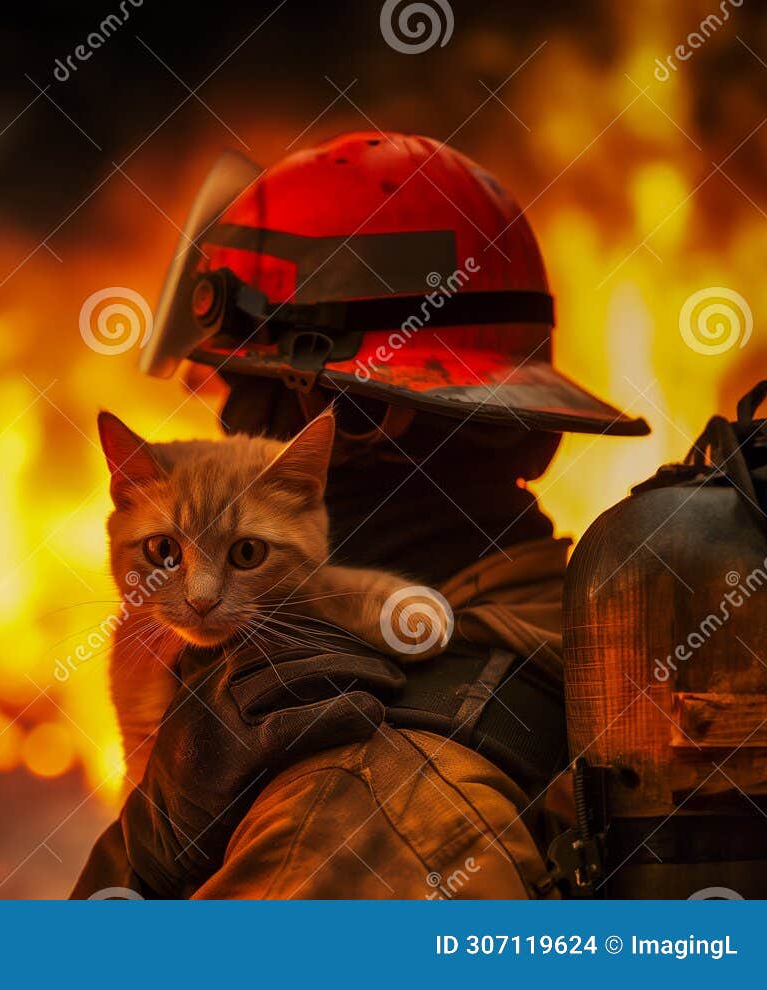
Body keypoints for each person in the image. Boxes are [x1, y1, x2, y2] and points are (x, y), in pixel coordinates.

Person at [72, 132, 647, 899]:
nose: (219, 452)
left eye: (244, 414)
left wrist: (148, 859)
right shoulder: (578, 633)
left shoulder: (350, 806)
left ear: (343, 422)